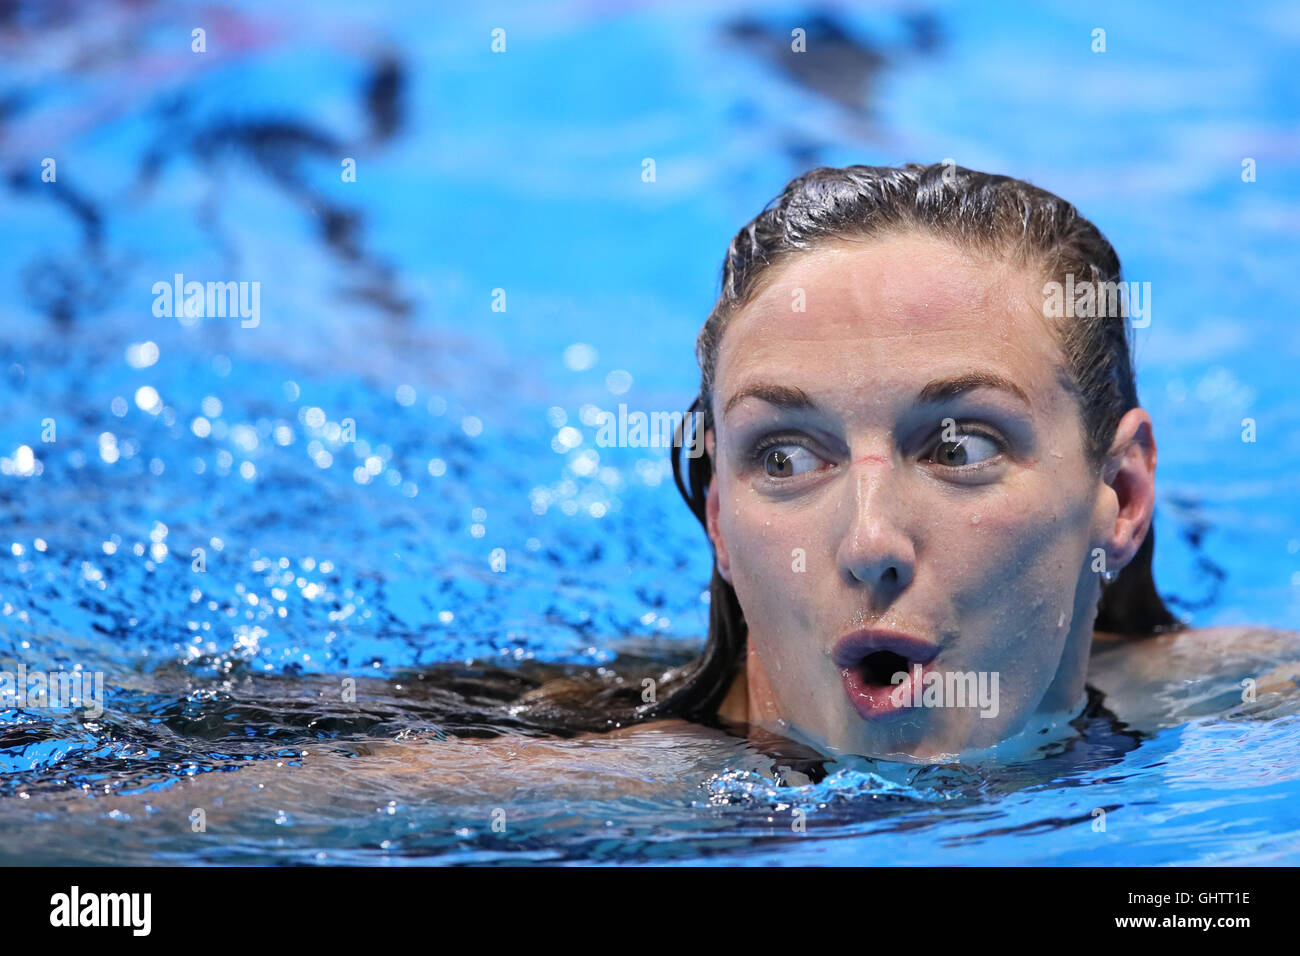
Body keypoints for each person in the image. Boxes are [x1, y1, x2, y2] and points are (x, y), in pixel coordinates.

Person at [515, 162, 1299, 764]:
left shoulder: (1231, 698)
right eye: (785, 457)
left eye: (959, 447)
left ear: (1121, 496)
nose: (869, 545)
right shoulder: (568, 792)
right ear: (718, 516)